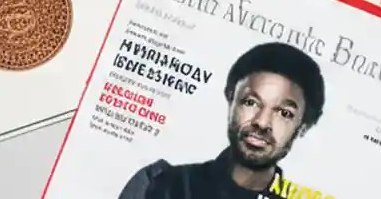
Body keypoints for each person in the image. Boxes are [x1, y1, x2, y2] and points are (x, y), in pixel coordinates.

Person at [117, 42, 325, 199]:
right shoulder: (159, 185)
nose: (262, 122)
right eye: (251, 102)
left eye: (284, 113)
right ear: (231, 98)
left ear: (303, 127)